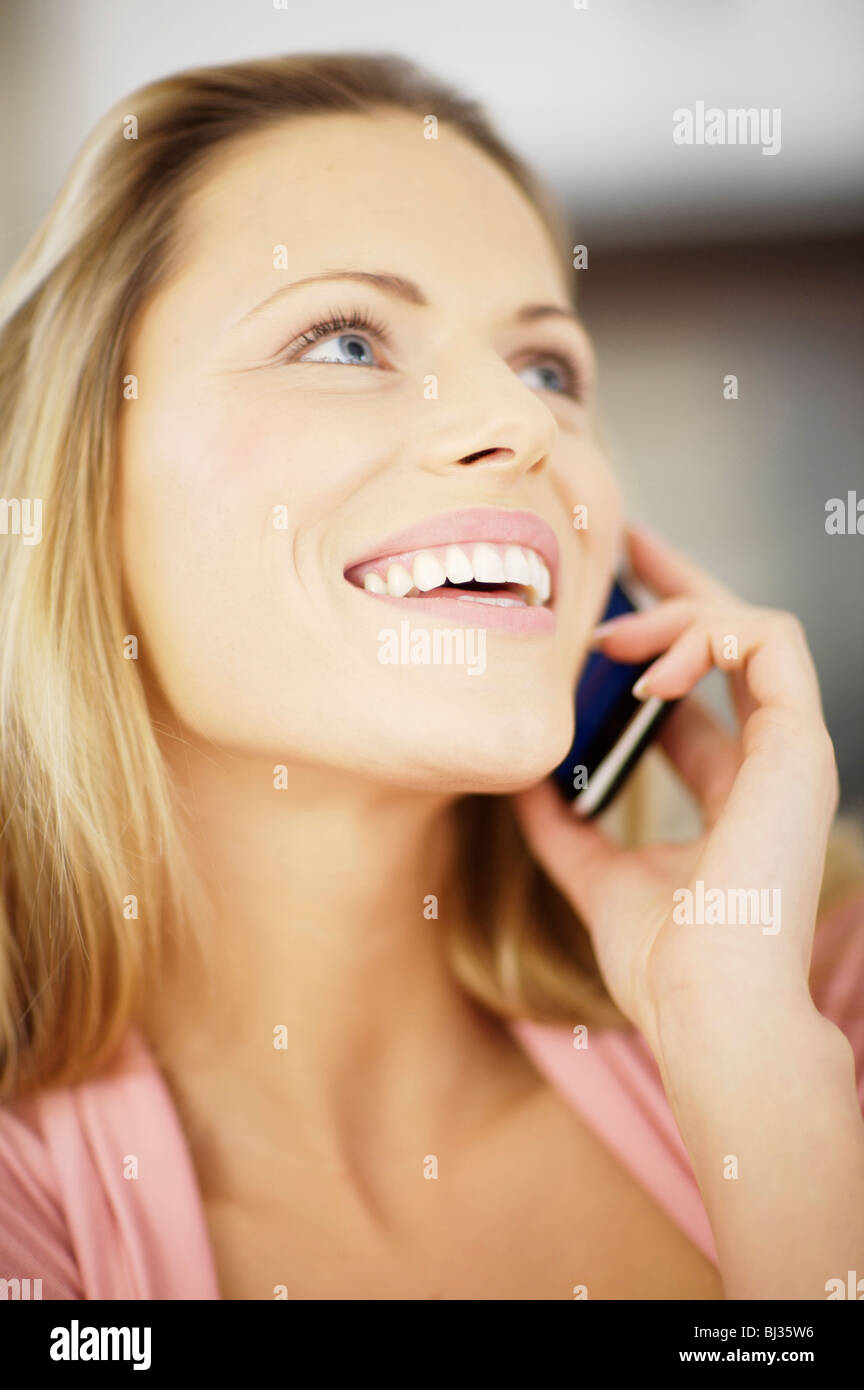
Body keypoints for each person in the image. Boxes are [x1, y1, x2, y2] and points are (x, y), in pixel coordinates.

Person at [1, 53, 862, 1301]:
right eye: (344, 339)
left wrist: (756, 1065)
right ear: (72, 483)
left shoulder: (816, 988)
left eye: (548, 369)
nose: (523, 430)